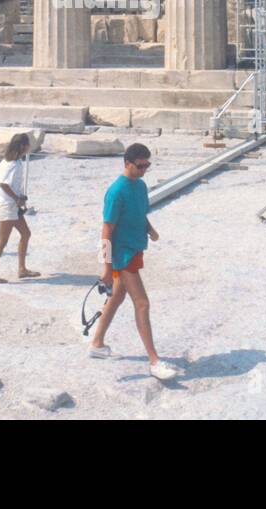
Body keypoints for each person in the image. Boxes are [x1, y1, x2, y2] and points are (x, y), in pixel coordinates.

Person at [87, 143, 180, 381]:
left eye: (147, 165)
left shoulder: (140, 185)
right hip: (122, 255)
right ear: (127, 163)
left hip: (136, 249)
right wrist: (106, 266)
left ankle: (97, 344)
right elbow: (106, 230)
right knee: (142, 303)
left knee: (116, 298)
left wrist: (150, 229)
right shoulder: (116, 191)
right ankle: (154, 361)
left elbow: (139, 214)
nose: (144, 169)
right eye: (140, 166)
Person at [0, 133, 40, 283]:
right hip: (8, 206)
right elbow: (4, 184)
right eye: (28, 144)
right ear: (22, 146)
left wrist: (19, 198)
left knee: (26, 234)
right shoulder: (13, 164)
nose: (29, 147)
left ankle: (22, 269)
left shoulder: (9, 161)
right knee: (2, 241)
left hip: (12, 205)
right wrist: (17, 199)